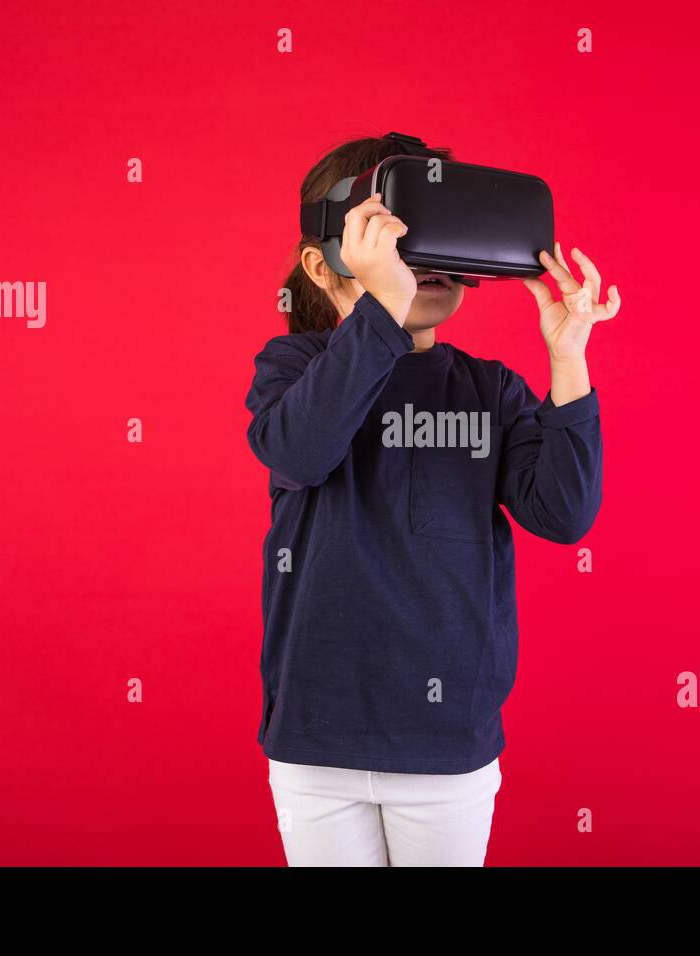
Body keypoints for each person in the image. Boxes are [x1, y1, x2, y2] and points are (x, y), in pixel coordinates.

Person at [245, 134, 620, 866]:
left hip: (447, 739)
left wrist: (568, 355)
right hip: (318, 735)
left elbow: (564, 513)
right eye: (394, 239)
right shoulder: (292, 369)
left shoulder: (490, 390)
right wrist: (382, 305)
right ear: (325, 266)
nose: (424, 265)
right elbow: (299, 449)